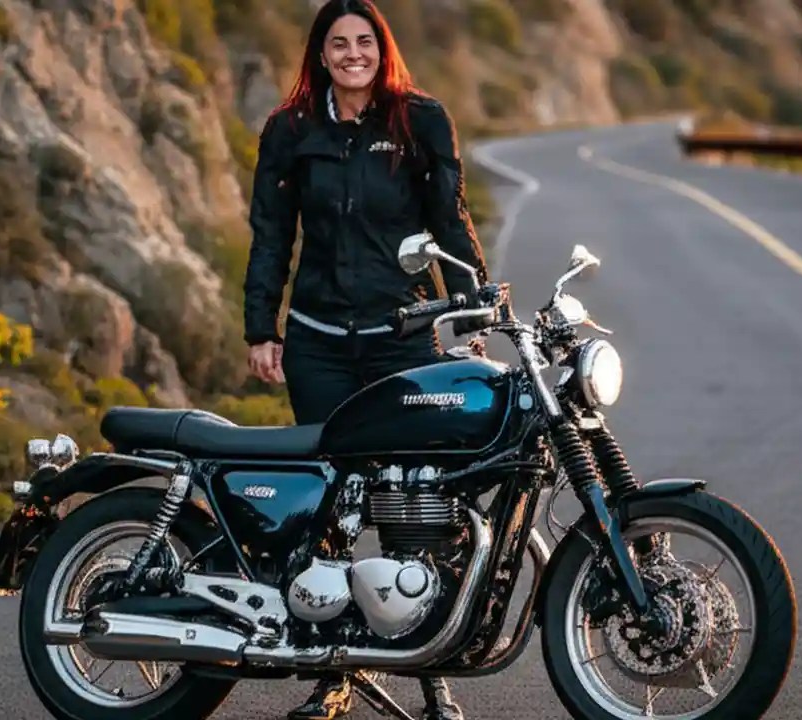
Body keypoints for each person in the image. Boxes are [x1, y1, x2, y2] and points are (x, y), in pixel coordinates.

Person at [241, 2, 489, 719]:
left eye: (365, 42)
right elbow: (269, 237)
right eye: (338, 44)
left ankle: (431, 674)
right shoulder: (289, 131)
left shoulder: (420, 121)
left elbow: (452, 225)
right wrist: (263, 328)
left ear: (384, 50)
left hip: (404, 342)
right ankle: (334, 677)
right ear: (319, 56)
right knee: (328, 512)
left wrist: (471, 315)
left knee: (415, 510)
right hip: (317, 345)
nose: (353, 54)